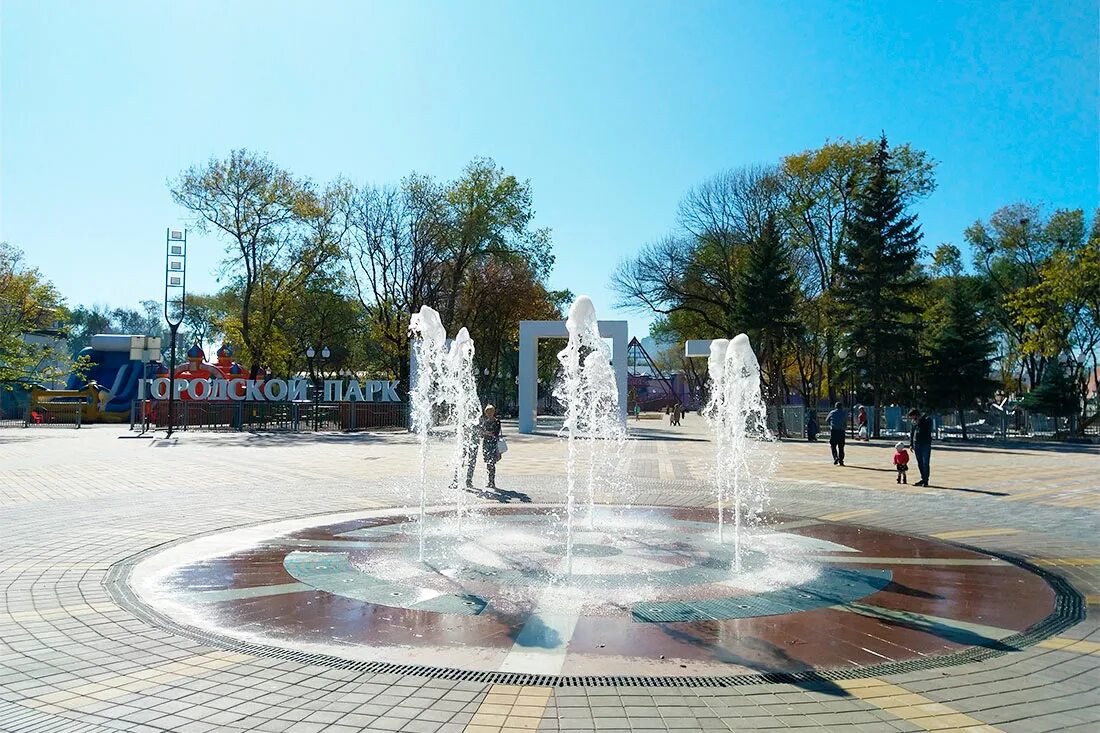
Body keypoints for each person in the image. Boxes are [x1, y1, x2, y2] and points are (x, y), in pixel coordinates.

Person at [466, 404, 502, 490]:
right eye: (487, 412)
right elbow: (481, 433)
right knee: (487, 462)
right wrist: (485, 433)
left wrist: (487, 433)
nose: (489, 413)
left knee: (492, 463)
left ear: (493, 412)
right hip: (486, 444)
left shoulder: (497, 421)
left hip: (494, 444)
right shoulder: (484, 421)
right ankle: (490, 481)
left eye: (491, 412)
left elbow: (496, 433)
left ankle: (492, 481)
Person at [908, 408, 933, 486]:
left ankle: (926, 480)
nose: (912, 419)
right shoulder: (913, 422)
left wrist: (920, 422)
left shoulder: (927, 419)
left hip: (925, 443)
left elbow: (929, 429)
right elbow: (912, 432)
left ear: (916, 414)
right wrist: (911, 444)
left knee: (925, 462)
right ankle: (923, 478)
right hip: (917, 444)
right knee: (920, 463)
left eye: (912, 416)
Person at [826, 402, 847, 466]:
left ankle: (835, 457)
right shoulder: (843, 413)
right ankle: (841, 460)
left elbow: (827, 420)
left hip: (834, 431)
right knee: (841, 446)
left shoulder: (832, 412)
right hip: (841, 431)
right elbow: (845, 421)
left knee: (833, 445)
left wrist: (831, 425)